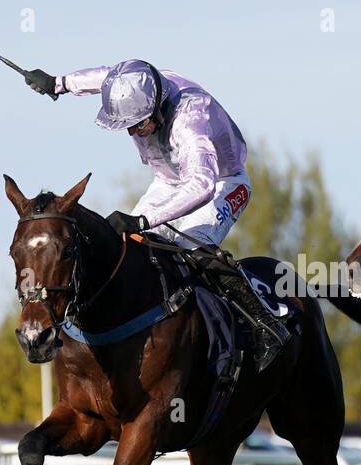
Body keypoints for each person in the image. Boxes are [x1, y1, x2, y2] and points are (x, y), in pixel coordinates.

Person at [22, 60, 289, 371]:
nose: (134, 131)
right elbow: (104, 77)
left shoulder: (191, 120)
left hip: (220, 183)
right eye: (128, 126)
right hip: (168, 182)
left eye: (139, 124)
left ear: (158, 108)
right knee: (128, 247)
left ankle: (266, 325)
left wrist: (145, 220)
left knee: (194, 245)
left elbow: (201, 184)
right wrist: (58, 83)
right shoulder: (133, 83)